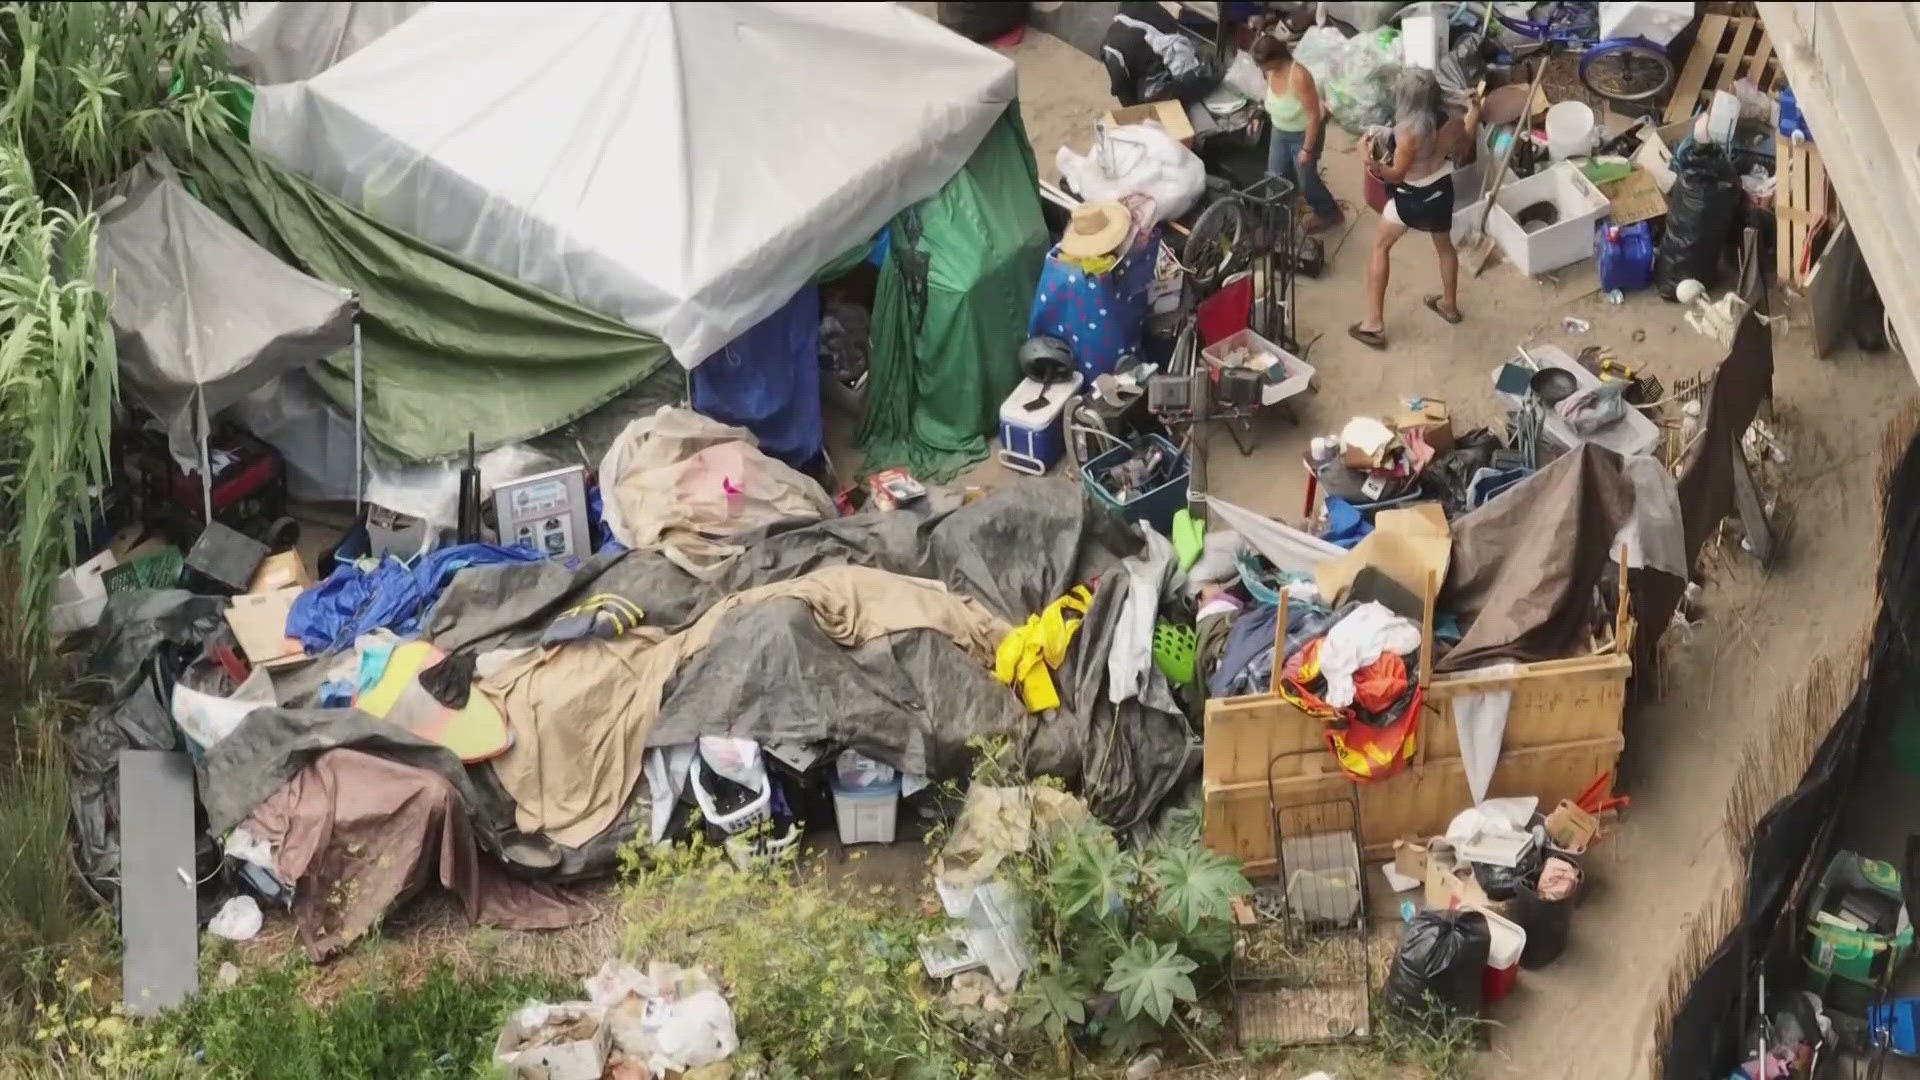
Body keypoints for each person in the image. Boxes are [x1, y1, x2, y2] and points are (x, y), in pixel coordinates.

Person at [1348, 69, 1482, 350]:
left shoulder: (1408, 134)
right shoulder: (1454, 120)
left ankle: (1373, 323)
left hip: (1412, 197)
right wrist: (1475, 111)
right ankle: (1449, 305)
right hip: (1442, 189)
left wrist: (1368, 159)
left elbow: (1395, 175)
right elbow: (1466, 142)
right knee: (1445, 247)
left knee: (1380, 247)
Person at [1251, 35, 1341, 235]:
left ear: (1276, 58)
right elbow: (1267, 95)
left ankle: (1328, 213)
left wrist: (1307, 149)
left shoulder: (1300, 76)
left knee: (1307, 181)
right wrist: (1258, 114)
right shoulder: (1269, 72)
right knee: (1274, 179)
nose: (1261, 68)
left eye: (1264, 64)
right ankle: (1274, 225)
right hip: (1279, 131)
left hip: (1303, 135)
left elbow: (1314, 116)